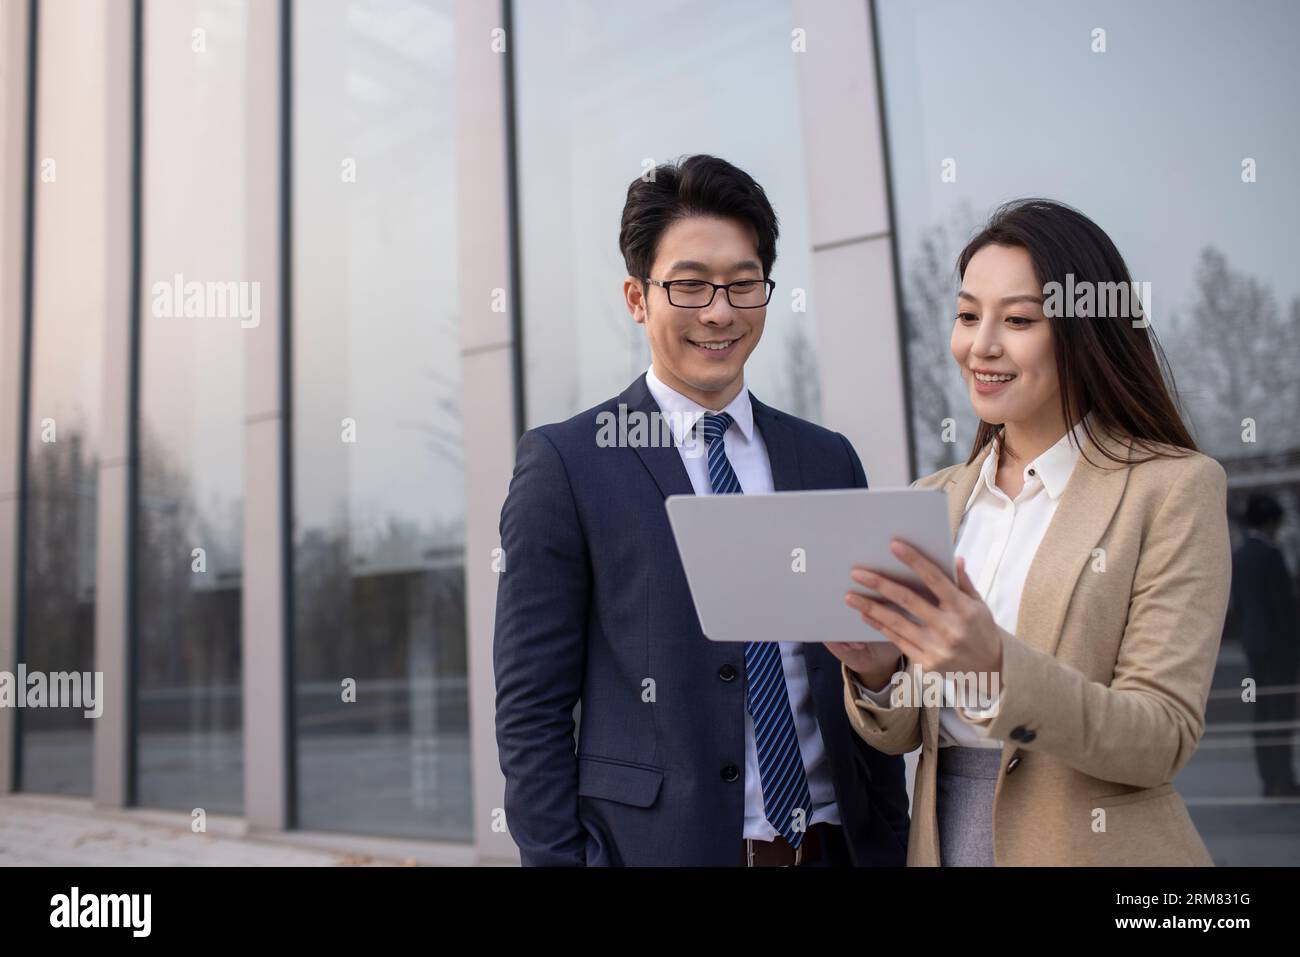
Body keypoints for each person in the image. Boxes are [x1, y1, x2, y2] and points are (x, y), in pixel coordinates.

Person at [493, 154, 909, 866]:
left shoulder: (826, 459)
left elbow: (864, 674)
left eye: (743, 284)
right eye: (689, 285)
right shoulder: (568, 464)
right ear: (637, 297)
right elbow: (531, 710)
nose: (719, 311)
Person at [827, 199, 1231, 866]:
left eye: (1017, 319)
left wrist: (993, 664)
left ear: (1084, 331)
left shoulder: (1173, 488)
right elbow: (906, 734)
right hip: (946, 840)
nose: (981, 344)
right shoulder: (934, 500)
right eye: (966, 315)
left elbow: (1161, 737)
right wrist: (877, 672)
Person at [1231, 492, 1300, 796]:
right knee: (1279, 712)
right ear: (1271, 521)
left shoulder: (1241, 554)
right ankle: (1282, 780)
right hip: (1278, 646)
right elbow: (1282, 608)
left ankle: (1270, 779)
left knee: (1262, 711)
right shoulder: (1270, 555)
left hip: (1254, 643)